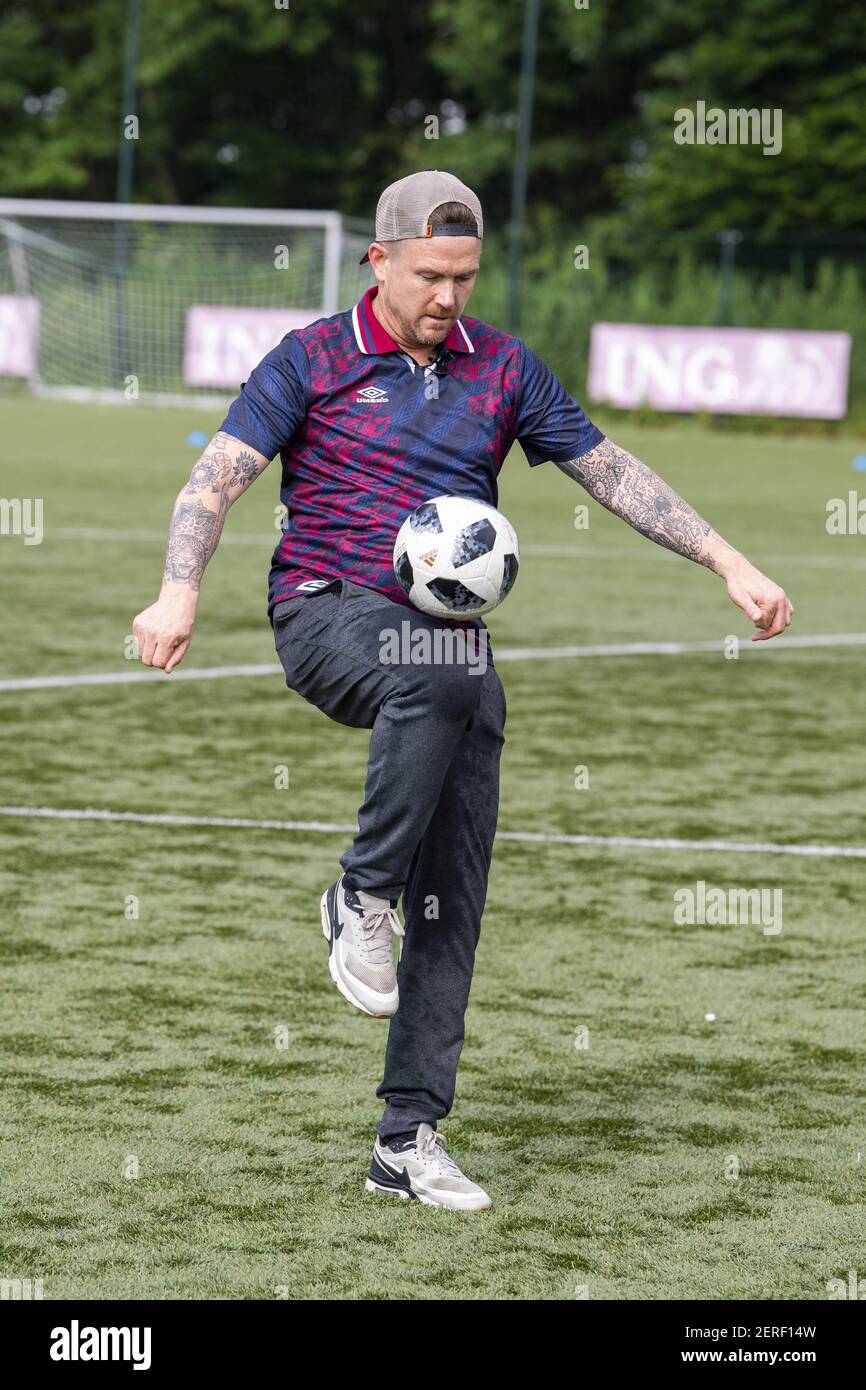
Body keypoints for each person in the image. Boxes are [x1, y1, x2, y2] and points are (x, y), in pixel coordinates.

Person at [132, 169, 794, 1212]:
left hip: (448, 659)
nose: (447, 296)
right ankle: (358, 891)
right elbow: (214, 477)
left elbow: (608, 470)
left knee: (457, 878)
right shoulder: (309, 358)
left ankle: (406, 1137)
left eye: (464, 276)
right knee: (445, 670)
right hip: (327, 612)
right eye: (429, 275)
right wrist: (178, 592)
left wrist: (726, 562)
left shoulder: (502, 369)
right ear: (379, 260)